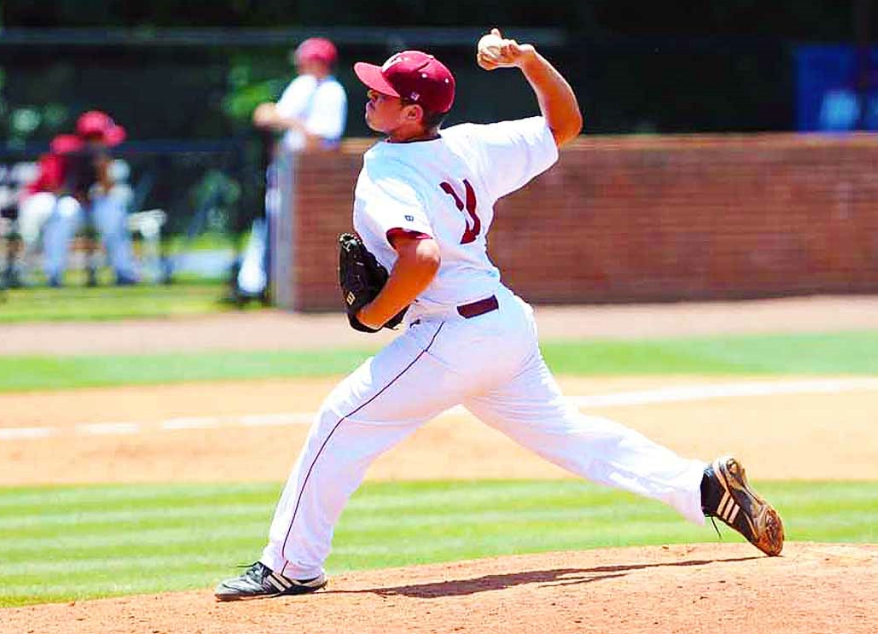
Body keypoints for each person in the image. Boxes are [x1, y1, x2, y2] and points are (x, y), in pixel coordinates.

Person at [214, 28, 785, 601]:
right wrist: (530, 62)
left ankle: (290, 565)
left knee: (341, 421)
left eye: (382, 92)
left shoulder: (386, 170)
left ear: (412, 112)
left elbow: (423, 256)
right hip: (502, 327)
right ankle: (703, 488)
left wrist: (372, 316)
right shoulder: (469, 146)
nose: (369, 95)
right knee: (571, 435)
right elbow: (565, 124)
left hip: (451, 334)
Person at [236, 36, 347, 302]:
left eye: (305, 60)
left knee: (295, 237)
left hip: (314, 180)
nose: (300, 65)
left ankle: (263, 287)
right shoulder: (302, 85)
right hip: (286, 172)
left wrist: (287, 120)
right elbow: (263, 116)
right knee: (269, 226)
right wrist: (286, 119)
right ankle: (253, 287)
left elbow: (322, 140)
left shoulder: (332, 92)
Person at [41, 110, 139, 287]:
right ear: (90, 137)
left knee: (112, 212)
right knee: (63, 213)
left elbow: (108, 191)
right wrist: (78, 196)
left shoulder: (104, 157)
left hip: (95, 207)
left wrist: (102, 168)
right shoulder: (67, 152)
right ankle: (53, 275)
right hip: (73, 205)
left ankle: (125, 272)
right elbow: (55, 188)